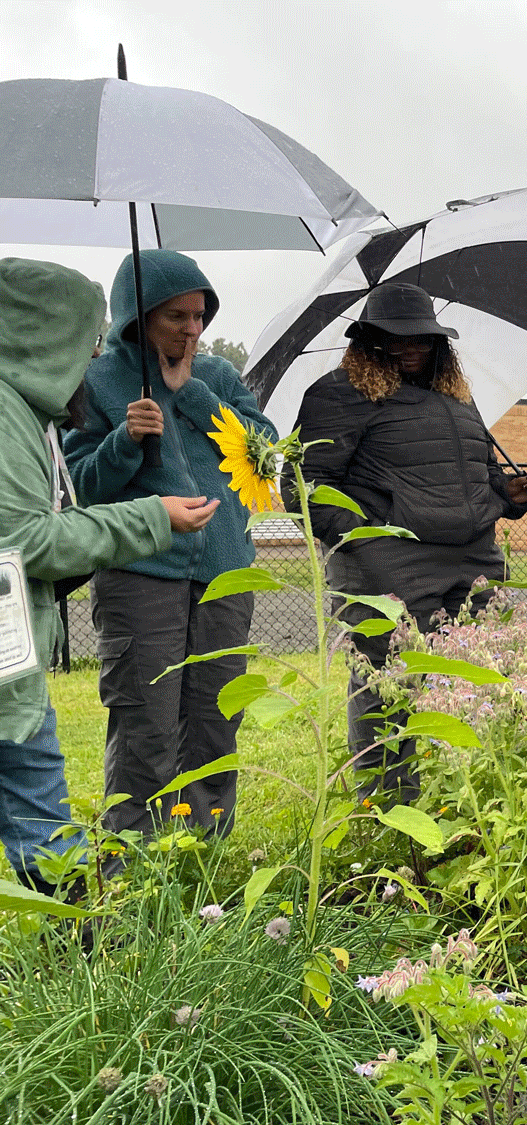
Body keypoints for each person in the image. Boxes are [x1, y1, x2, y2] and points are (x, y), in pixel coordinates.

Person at [1, 257, 218, 891]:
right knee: (45, 808)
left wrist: (191, 392)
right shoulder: (12, 414)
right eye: (84, 335)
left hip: (17, 654)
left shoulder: (25, 409)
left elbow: (256, 439)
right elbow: (26, 538)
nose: (93, 351)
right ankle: (85, 932)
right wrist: (150, 509)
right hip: (24, 651)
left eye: (200, 316)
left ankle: (92, 920)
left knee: (39, 799)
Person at [289, 282, 527, 801]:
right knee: (386, 690)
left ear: (439, 343)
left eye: (421, 339)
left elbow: (478, 477)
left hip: (471, 565)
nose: (410, 349)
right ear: (369, 342)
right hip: (389, 568)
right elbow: (306, 487)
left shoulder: (459, 400)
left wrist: (508, 492)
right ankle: (386, 812)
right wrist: (368, 538)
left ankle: (465, 806)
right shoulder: (340, 394)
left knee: (480, 686)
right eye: (394, 339)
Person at [65, 250, 274, 839]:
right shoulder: (98, 381)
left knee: (215, 723)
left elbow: (266, 454)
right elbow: (81, 485)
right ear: (139, 316)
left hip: (224, 573)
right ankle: (134, 862)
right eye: (176, 316)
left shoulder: (218, 377)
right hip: (141, 574)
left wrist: (196, 398)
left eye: (200, 315)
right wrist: (125, 441)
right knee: (146, 728)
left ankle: (203, 859)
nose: (192, 330)